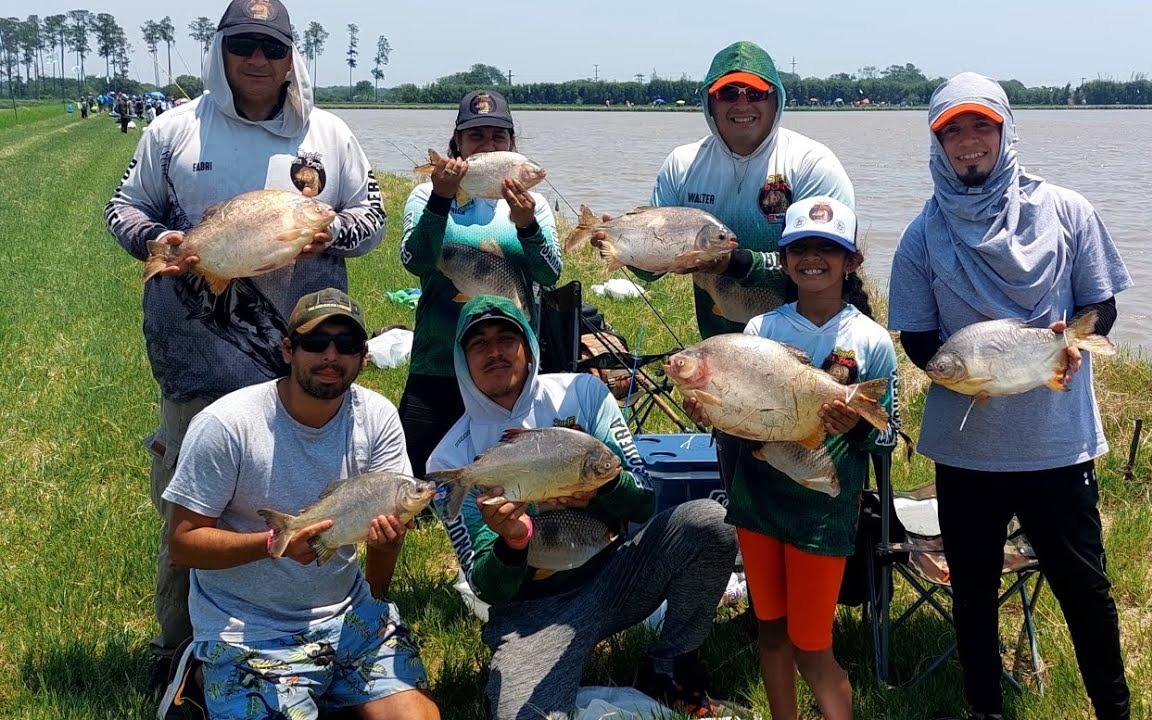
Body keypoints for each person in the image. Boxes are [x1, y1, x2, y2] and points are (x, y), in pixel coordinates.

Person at [103, 0, 388, 699]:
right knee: (191, 506)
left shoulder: (328, 134)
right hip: (197, 358)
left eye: (272, 47)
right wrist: (156, 241)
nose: (258, 60)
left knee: (304, 502)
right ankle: (179, 652)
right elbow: (123, 208)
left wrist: (335, 233)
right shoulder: (174, 130)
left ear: (292, 56)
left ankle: (315, 636)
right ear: (220, 51)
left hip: (305, 356)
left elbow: (374, 215)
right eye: (243, 45)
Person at [887, 72, 1133, 720]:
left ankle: (1114, 710)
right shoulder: (921, 236)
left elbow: (1101, 304)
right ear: (937, 143)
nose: (968, 141)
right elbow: (918, 338)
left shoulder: (1069, 212)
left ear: (1006, 131)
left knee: (1086, 589)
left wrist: (1074, 344)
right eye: (953, 130)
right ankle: (985, 709)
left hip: (1058, 442)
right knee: (972, 591)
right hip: (967, 449)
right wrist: (971, 377)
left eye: (982, 125)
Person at [427, 295, 737, 720]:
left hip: (616, 571)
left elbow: (644, 500)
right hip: (533, 611)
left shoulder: (582, 394)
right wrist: (512, 542)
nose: (494, 351)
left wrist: (602, 489)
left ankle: (671, 668)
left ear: (528, 345)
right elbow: (486, 587)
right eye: (478, 343)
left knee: (710, 522)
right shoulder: (451, 460)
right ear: (462, 360)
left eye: (506, 338)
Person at [162, 288, 441, 719]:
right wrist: (272, 543)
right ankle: (199, 671)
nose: (331, 355)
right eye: (315, 342)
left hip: (350, 617)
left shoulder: (378, 416)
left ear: (363, 357)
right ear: (288, 349)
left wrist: (380, 583)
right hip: (249, 631)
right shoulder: (227, 424)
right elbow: (183, 545)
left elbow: (384, 547)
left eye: (346, 344)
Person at [695, 196, 898, 720]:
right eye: (800, 248)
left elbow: (887, 438)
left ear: (851, 261)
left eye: (827, 249)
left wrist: (857, 427)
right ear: (783, 260)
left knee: (812, 646)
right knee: (771, 633)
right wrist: (711, 411)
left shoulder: (871, 340)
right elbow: (741, 419)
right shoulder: (760, 331)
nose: (812, 259)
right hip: (758, 500)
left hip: (823, 511)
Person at [642, 41, 857, 496]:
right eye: (728, 93)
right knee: (743, 486)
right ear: (709, 102)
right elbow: (650, 267)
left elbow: (832, 264)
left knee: (819, 484)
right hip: (723, 360)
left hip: (810, 353)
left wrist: (741, 263)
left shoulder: (811, 164)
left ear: (776, 98)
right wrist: (623, 245)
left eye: (755, 93)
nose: (742, 104)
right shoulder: (683, 165)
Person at [399, 89, 561, 479]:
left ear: (511, 145)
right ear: (457, 143)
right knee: (418, 483)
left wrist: (528, 226)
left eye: (497, 136)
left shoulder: (534, 204)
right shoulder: (425, 195)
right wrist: (441, 200)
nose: (487, 145)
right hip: (438, 360)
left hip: (510, 368)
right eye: (476, 136)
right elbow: (414, 261)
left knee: (511, 481)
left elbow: (550, 275)